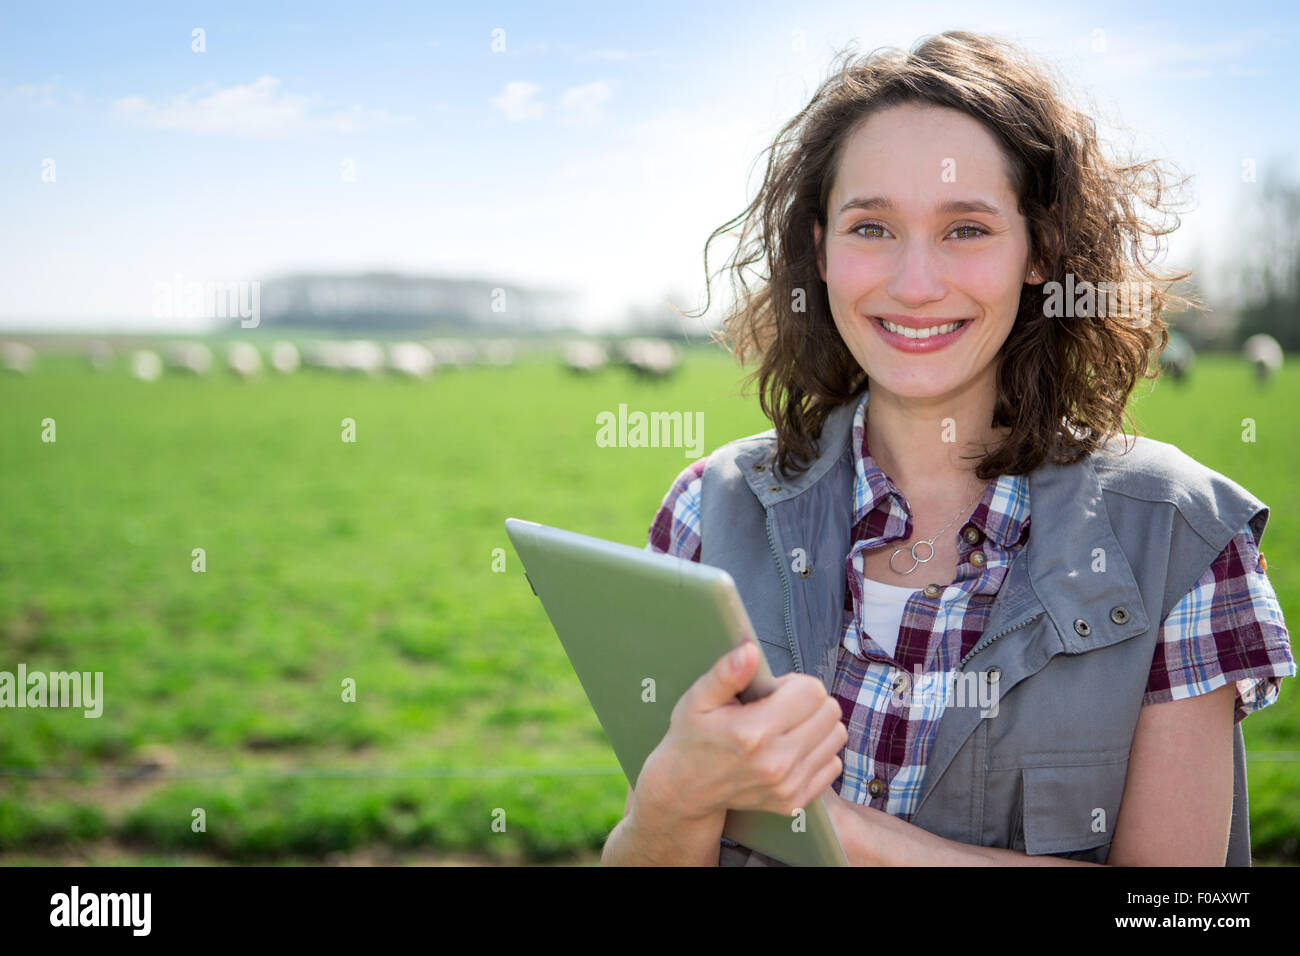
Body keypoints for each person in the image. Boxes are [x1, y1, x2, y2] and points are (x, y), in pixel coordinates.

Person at [600, 30, 1294, 867]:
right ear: (818, 250)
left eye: (966, 229)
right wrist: (674, 795)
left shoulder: (1181, 540)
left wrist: (843, 834)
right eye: (871, 227)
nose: (916, 283)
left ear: (1039, 252)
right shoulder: (707, 514)